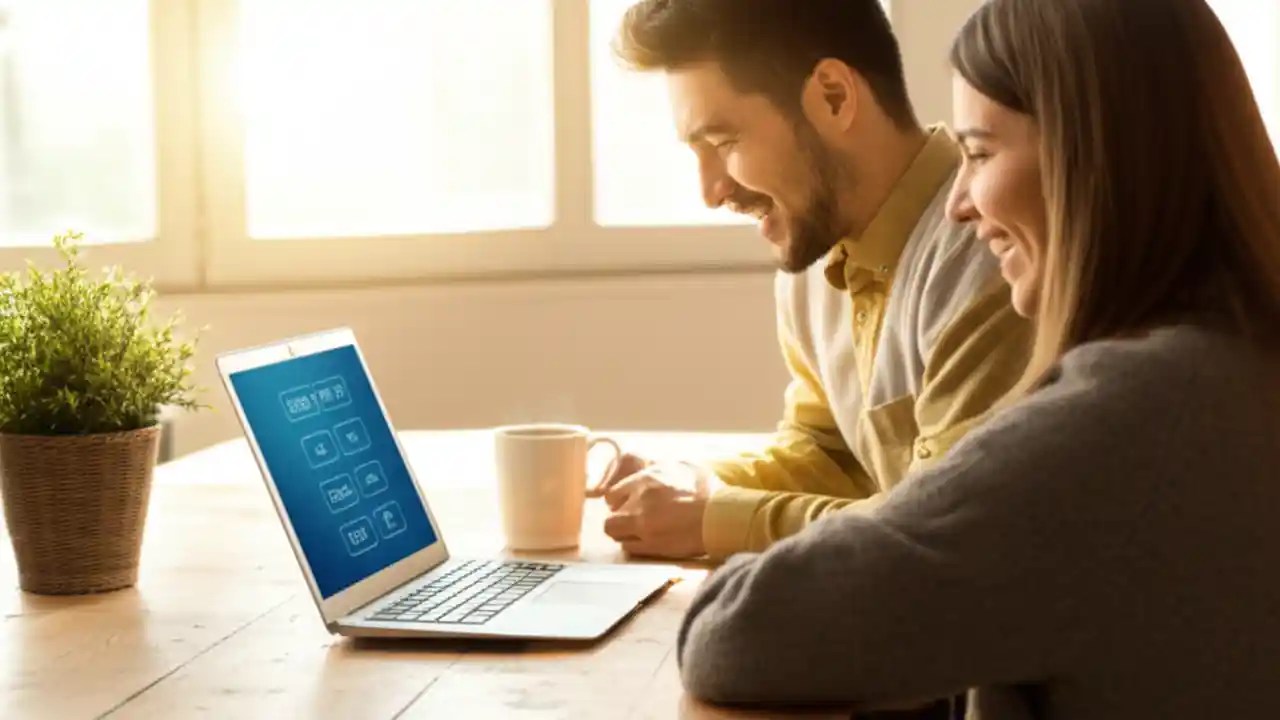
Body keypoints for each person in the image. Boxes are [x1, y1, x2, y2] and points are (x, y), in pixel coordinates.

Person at [674, 0, 1280, 717]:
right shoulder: (1231, 359)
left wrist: (723, 528)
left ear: (1096, 157)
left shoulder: (1129, 418)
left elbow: (740, 636)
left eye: (982, 153)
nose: (959, 202)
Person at [597, 0, 1032, 563]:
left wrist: (718, 518)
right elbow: (831, 455)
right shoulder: (816, 250)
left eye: (725, 143)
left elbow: (949, 521)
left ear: (833, 96)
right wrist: (696, 481)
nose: (711, 190)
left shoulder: (996, 254)